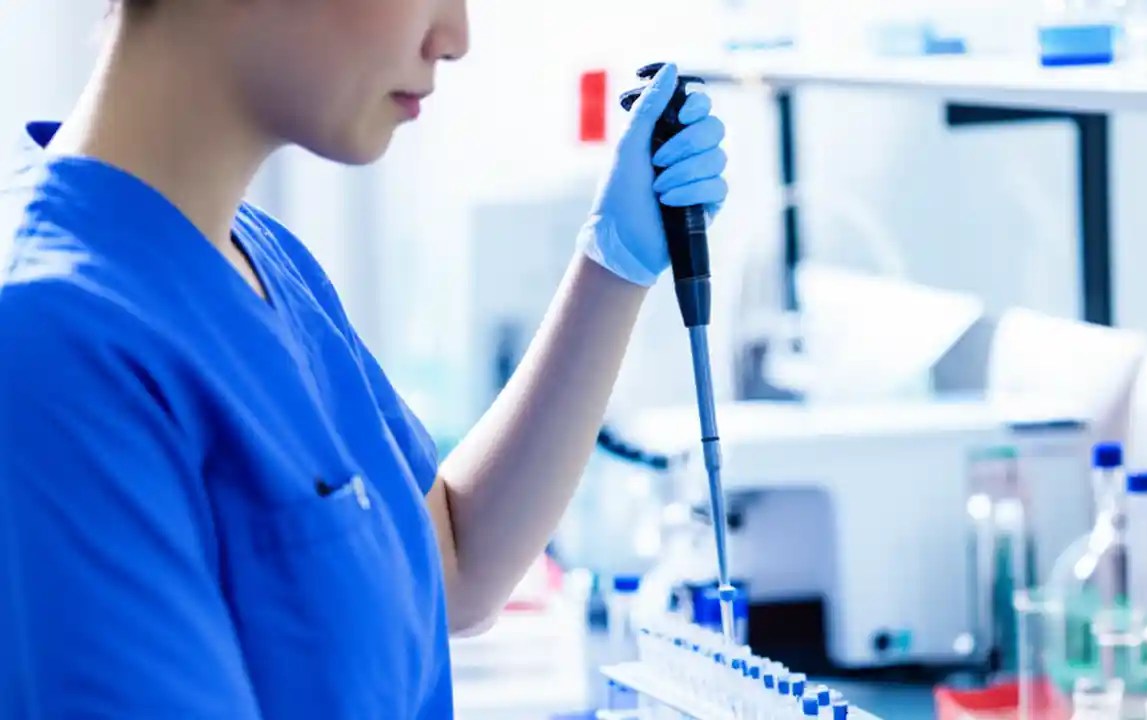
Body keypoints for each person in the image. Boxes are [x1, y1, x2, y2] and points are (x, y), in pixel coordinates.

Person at [0, 0, 729, 717]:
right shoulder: (52, 351)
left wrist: (614, 265)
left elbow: (451, 563)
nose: (456, 37)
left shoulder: (261, 257)